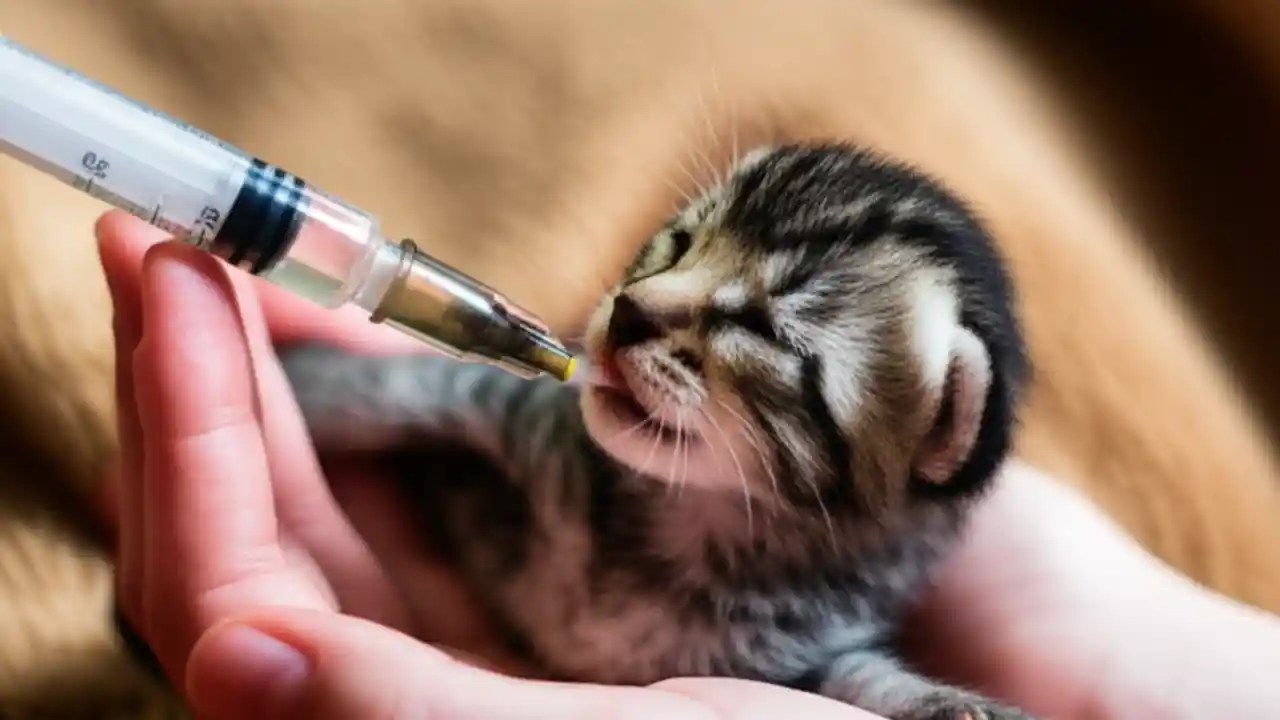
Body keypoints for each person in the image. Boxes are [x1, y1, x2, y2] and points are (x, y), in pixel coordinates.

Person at [96, 210, 1280, 720]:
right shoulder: (596, 442)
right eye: (673, 247)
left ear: (931, 443)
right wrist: (297, 413)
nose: (639, 307)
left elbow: (839, 671)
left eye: (759, 331)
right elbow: (449, 399)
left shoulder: (837, 574)